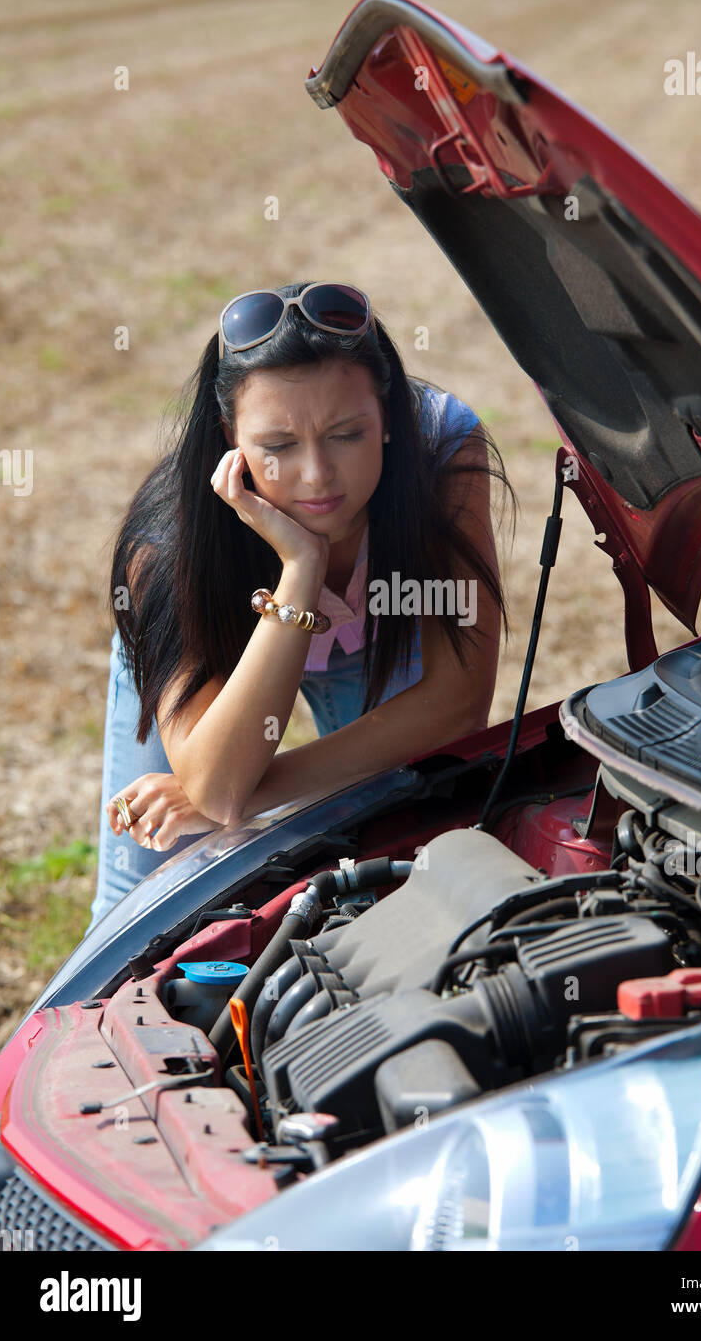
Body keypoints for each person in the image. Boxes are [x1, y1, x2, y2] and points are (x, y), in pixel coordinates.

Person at [91, 280, 515, 930]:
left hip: (383, 636)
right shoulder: (168, 546)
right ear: (231, 434)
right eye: (279, 447)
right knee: (132, 917)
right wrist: (301, 567)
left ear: (389, 418)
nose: (318, 476)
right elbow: (217, 785)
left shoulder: (443, 453)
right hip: (232, 648)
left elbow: (456, 703)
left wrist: (259, 795)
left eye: (348, 435)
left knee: (402, 867)